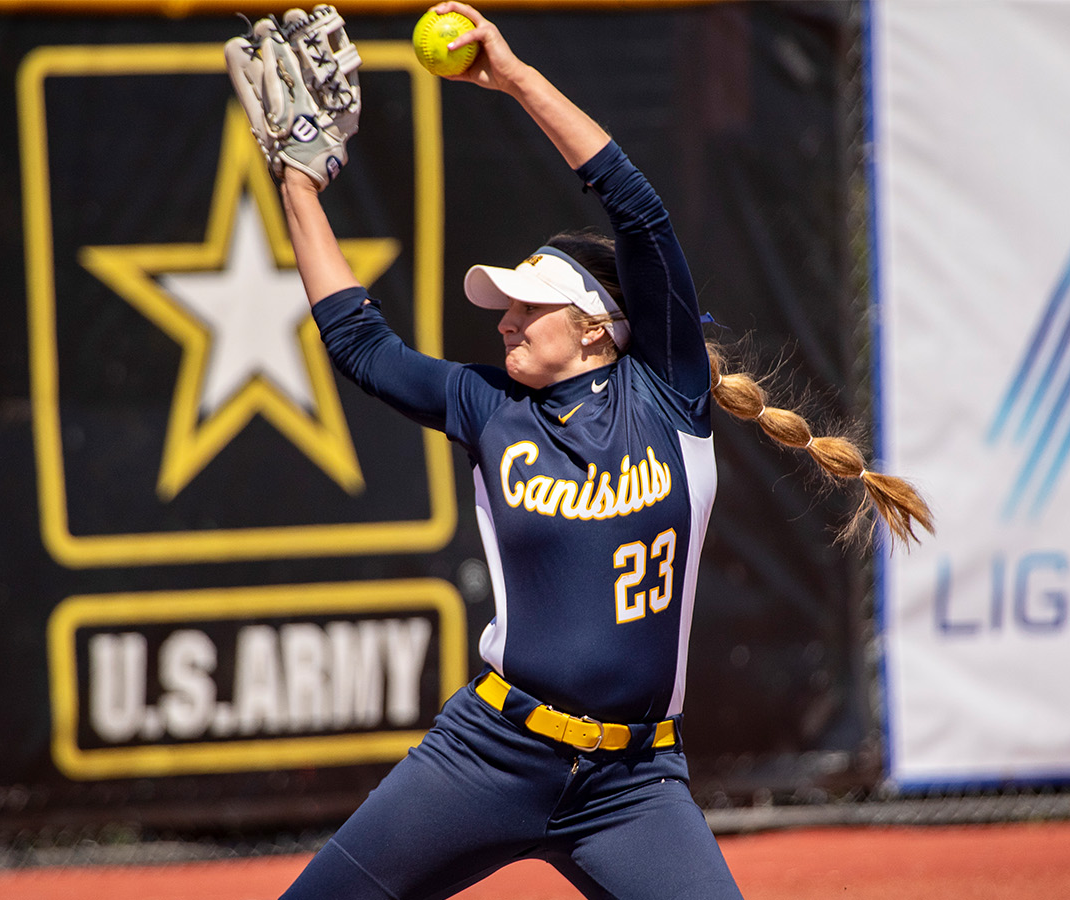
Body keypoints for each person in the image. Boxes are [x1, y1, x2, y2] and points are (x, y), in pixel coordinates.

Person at [248, 4, 933, 897]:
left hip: (633, 786)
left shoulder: (668, 392)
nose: (506, 317)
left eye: (529, 304)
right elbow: (359, 344)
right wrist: (299, 186)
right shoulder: (485, 405)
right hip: (491, 752)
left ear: (597, 327)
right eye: (504, 303)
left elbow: (637, 212)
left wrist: (515, 77)